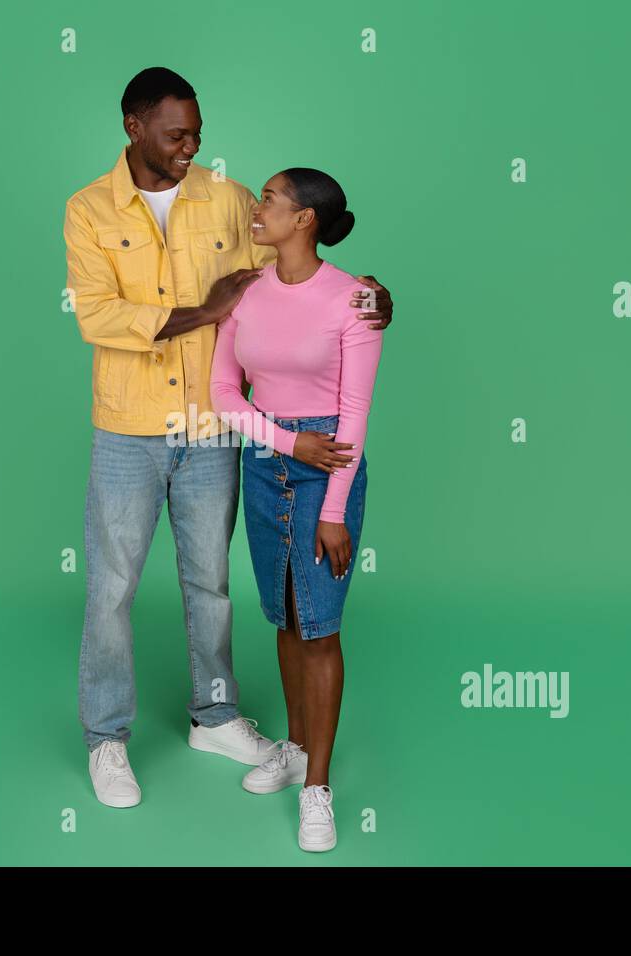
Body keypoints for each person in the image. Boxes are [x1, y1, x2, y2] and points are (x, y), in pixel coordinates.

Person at [63, 67, 393, 809]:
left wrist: (365, 293)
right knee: (112, 588)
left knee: (210, 583)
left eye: (198, 134)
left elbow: (289, 265)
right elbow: (97, 316)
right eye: (177, 134)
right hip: (129, 426)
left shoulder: (227, 196)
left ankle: (213, 714)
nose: (191, 147)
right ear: (134, 127)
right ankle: (106, 736)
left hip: (217, 430)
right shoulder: (87, 209)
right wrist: (202, 308)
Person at [209, 168, 383, 851]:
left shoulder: (358, 299)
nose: (258, 209)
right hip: (265, 463)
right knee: (285, 615)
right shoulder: (245, 292)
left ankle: (318, 789)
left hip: (327, 474)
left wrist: (333, 508)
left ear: (305, 218)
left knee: (320, 629)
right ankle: (295, 748)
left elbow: (356, 411)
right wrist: (285, 443)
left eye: (271, 200)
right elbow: (225, 393)